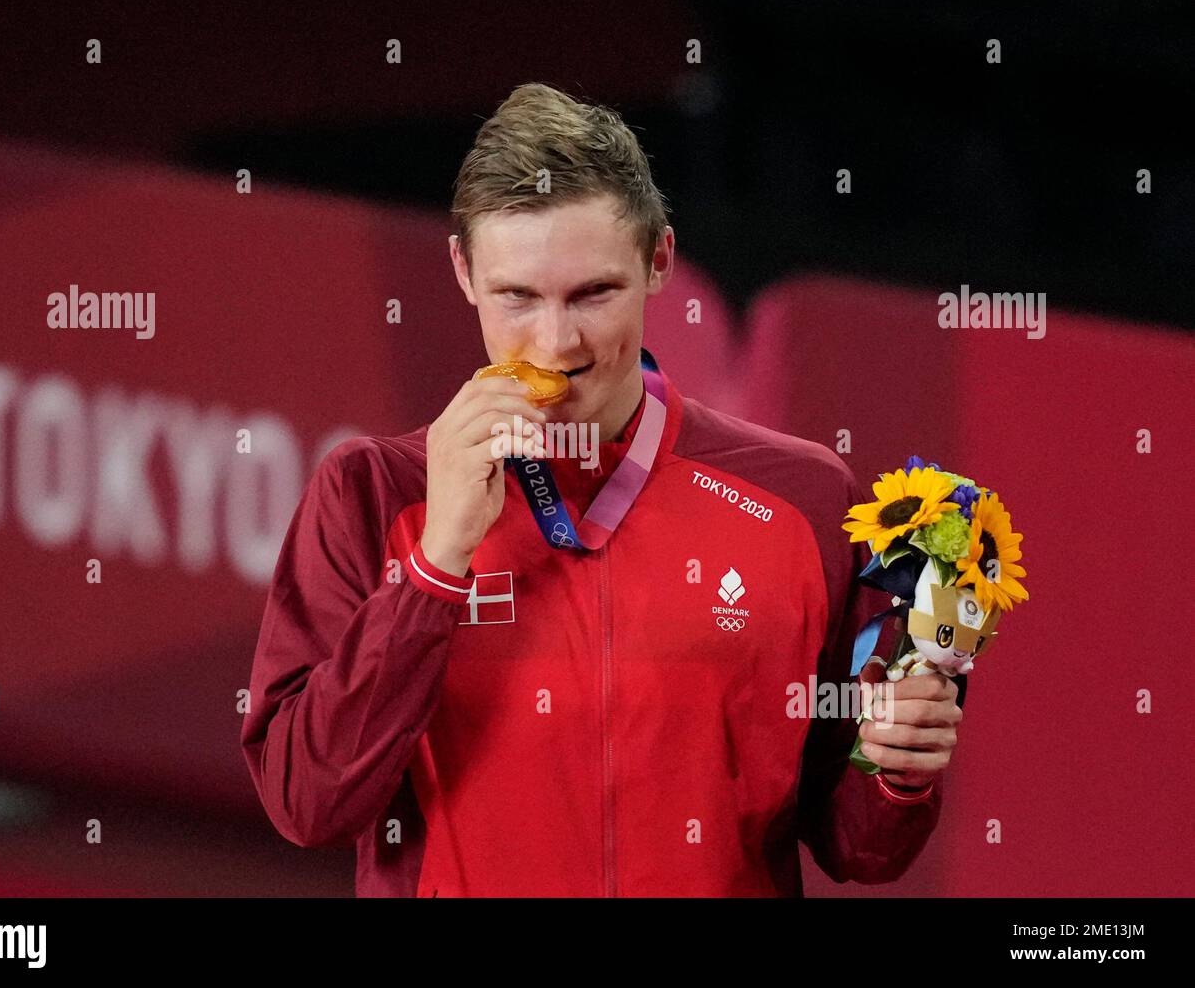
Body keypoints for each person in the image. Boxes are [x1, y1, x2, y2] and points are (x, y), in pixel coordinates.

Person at [240, 83, 960, 897]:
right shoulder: (373, 494)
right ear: (463, 271)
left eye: (594, 293)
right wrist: (436, 565)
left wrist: (897, 771)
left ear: (658, 263)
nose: (556, 342)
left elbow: (858, 848)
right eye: (518, 296)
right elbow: (307, 800)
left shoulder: (802, 500)